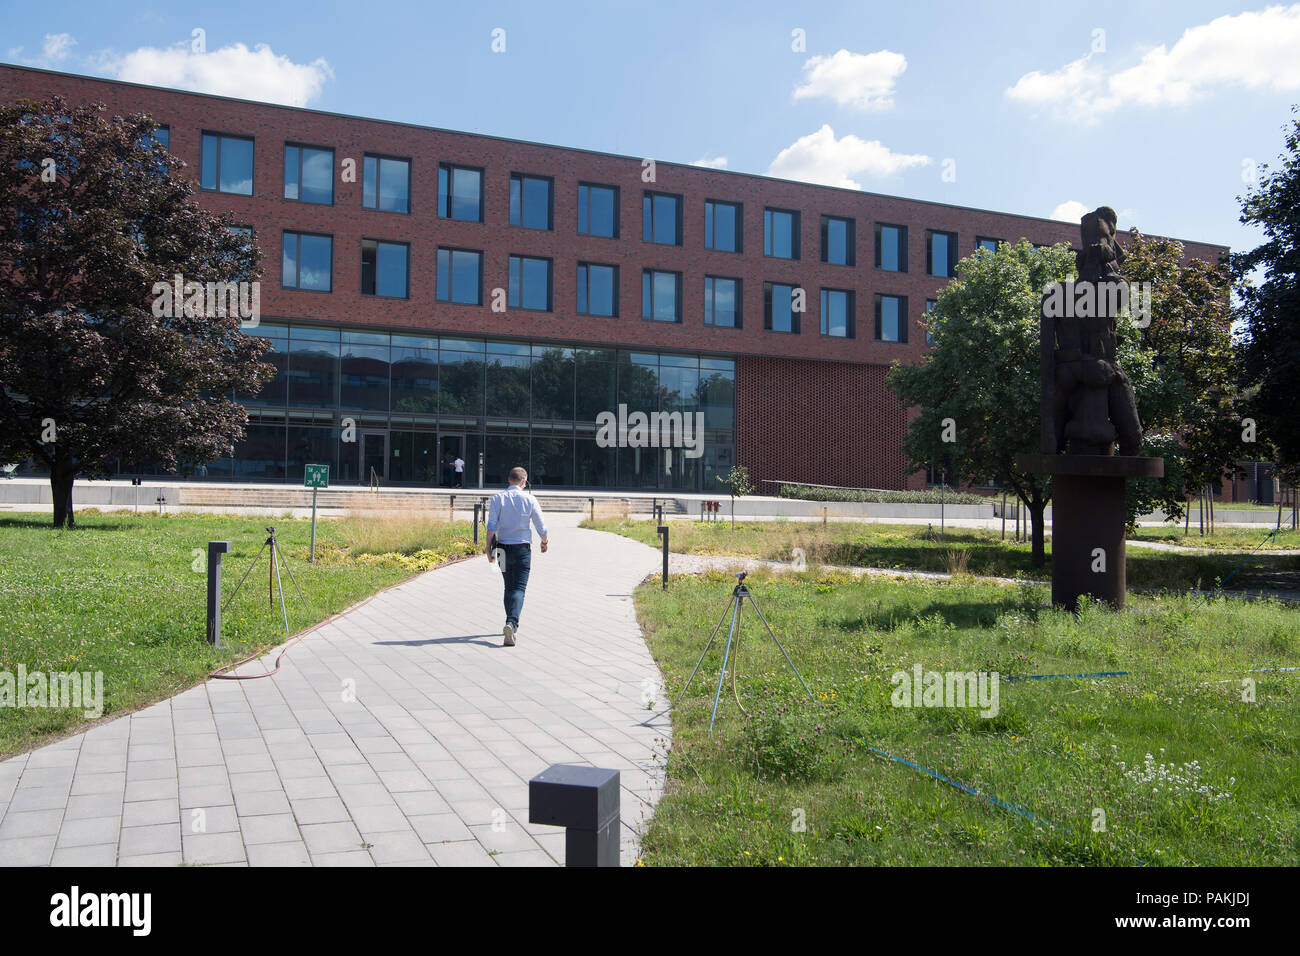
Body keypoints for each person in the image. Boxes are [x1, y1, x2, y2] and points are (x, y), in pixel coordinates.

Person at [485, 467, 548, 646]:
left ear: (509, 479)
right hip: (522, 549)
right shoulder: (530, 499)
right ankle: (511, 623)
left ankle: (509, 623)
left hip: (502, 548)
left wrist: (487, 549)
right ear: (523, 481)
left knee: (508, 587)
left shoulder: (497, 499)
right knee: (519, 589)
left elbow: (491, 526)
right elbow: (541, 526)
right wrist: (544, 542)